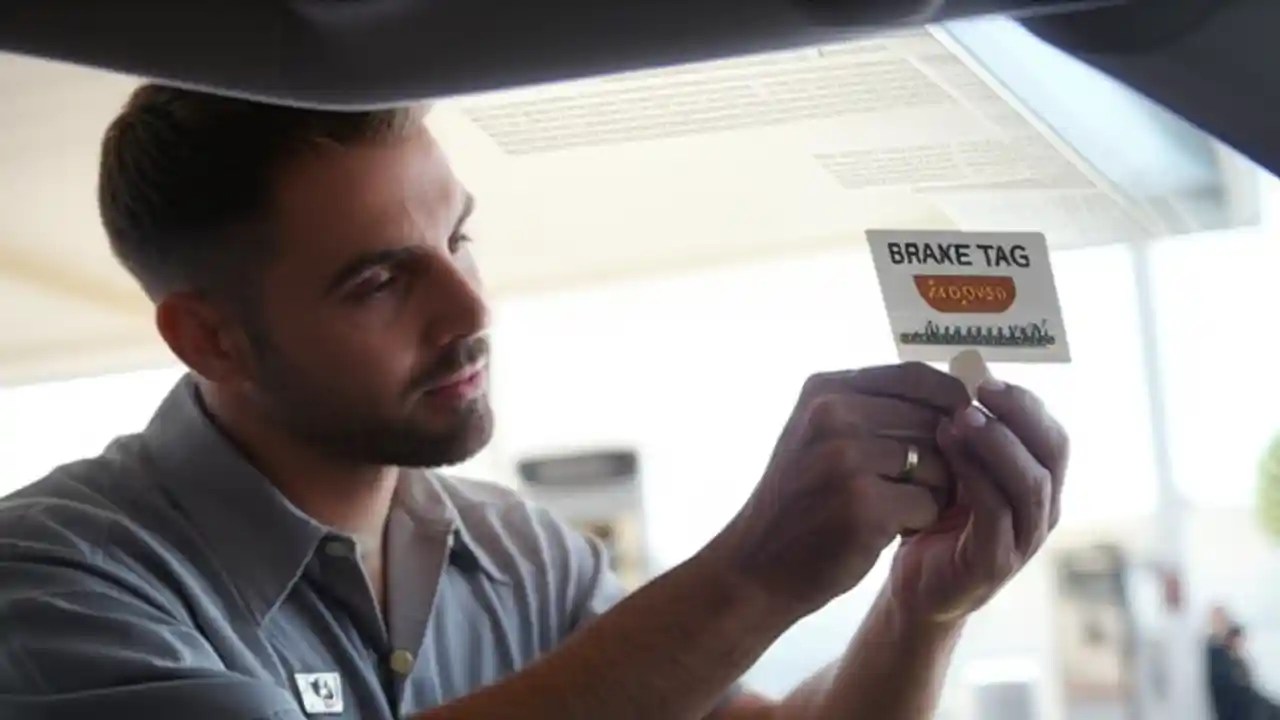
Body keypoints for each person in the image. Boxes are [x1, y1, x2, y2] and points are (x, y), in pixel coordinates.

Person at [0, 85, 1069, 720]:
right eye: (379, 279)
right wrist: (753, 571)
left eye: (458, 237)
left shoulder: (520, 555)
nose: (470, 307)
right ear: (207, 337)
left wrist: (923, 605)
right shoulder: (55, 582)